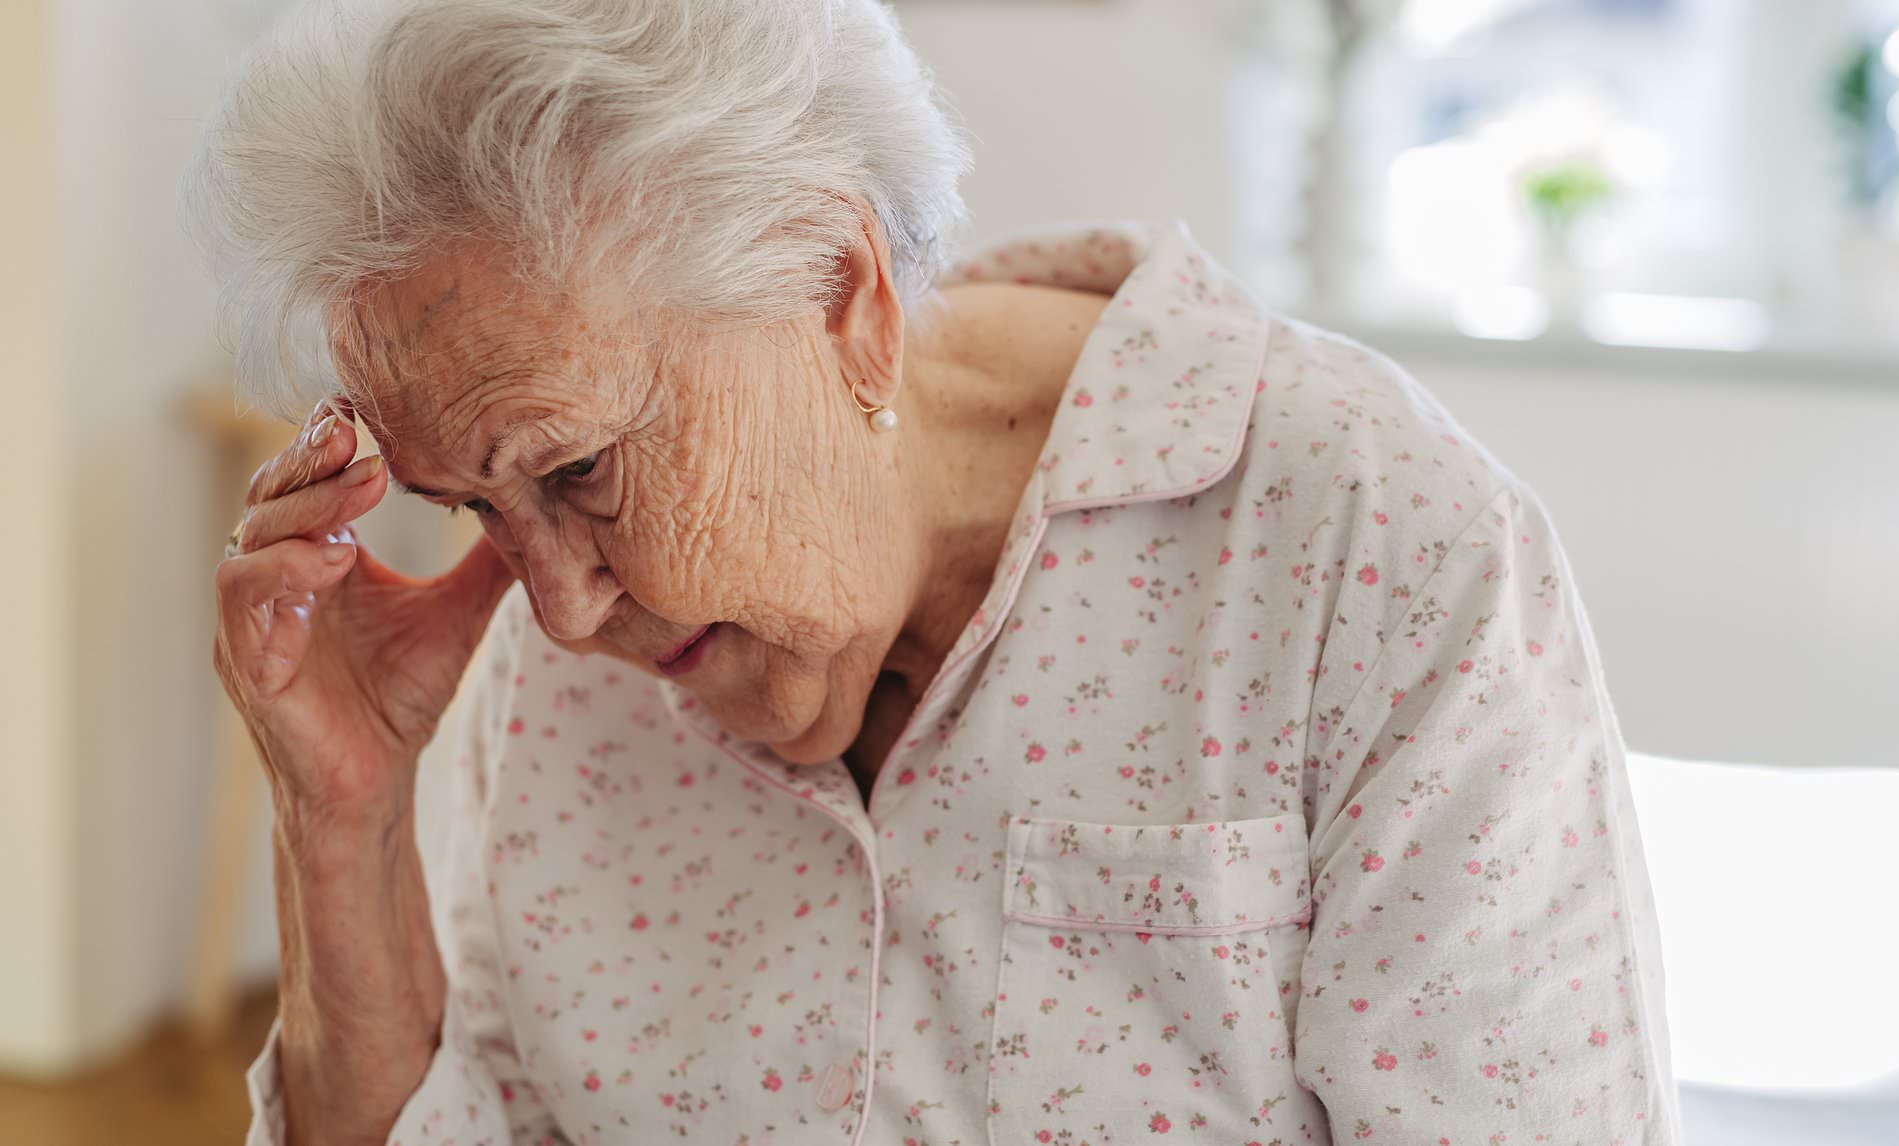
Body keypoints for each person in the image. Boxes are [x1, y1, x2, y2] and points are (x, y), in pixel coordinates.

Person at [187, 1, 1682, 1143]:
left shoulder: (1373, 557)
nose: (561, 606)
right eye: (472, 507)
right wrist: (344, 828)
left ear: (842, 296)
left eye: (580, 470)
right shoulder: (553, 653)